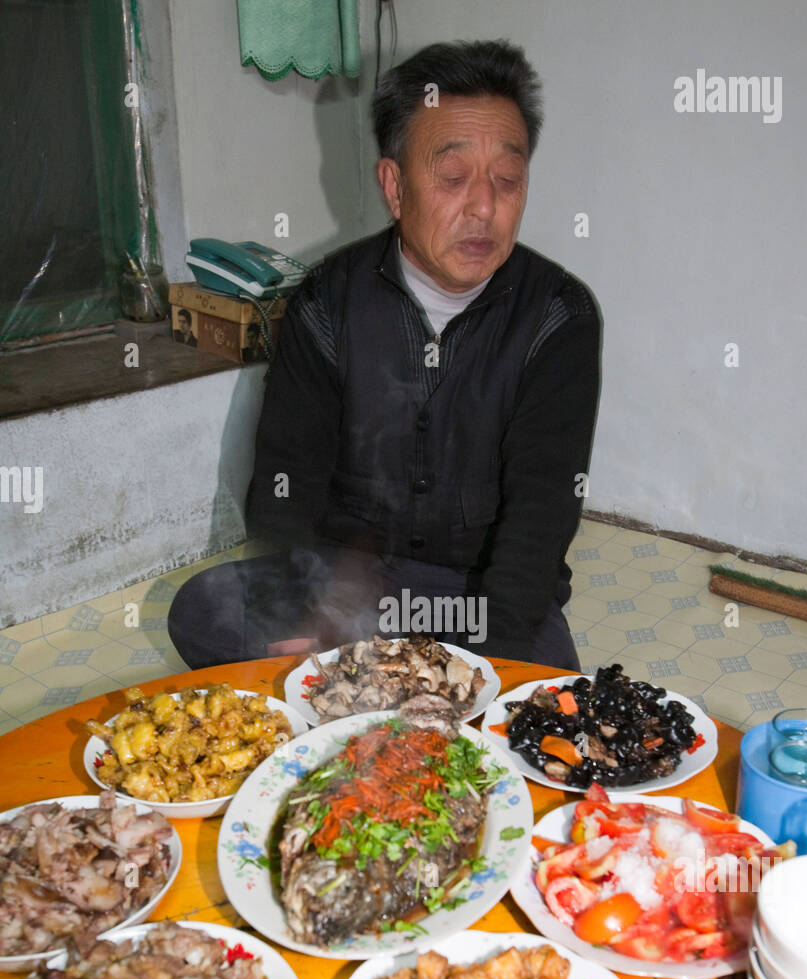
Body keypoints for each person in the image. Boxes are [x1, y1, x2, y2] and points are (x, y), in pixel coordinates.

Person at [168, 39, 601, 670]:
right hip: (350, 589)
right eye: (454, 179)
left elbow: (543, 512)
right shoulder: (326, 301)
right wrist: (313, 606)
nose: (485, 207)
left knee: (542, 690)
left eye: (508, 180)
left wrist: (494, 663)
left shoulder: (559, 315)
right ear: (395, 187)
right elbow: (285, 484)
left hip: (478, 597)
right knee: (204, 608)